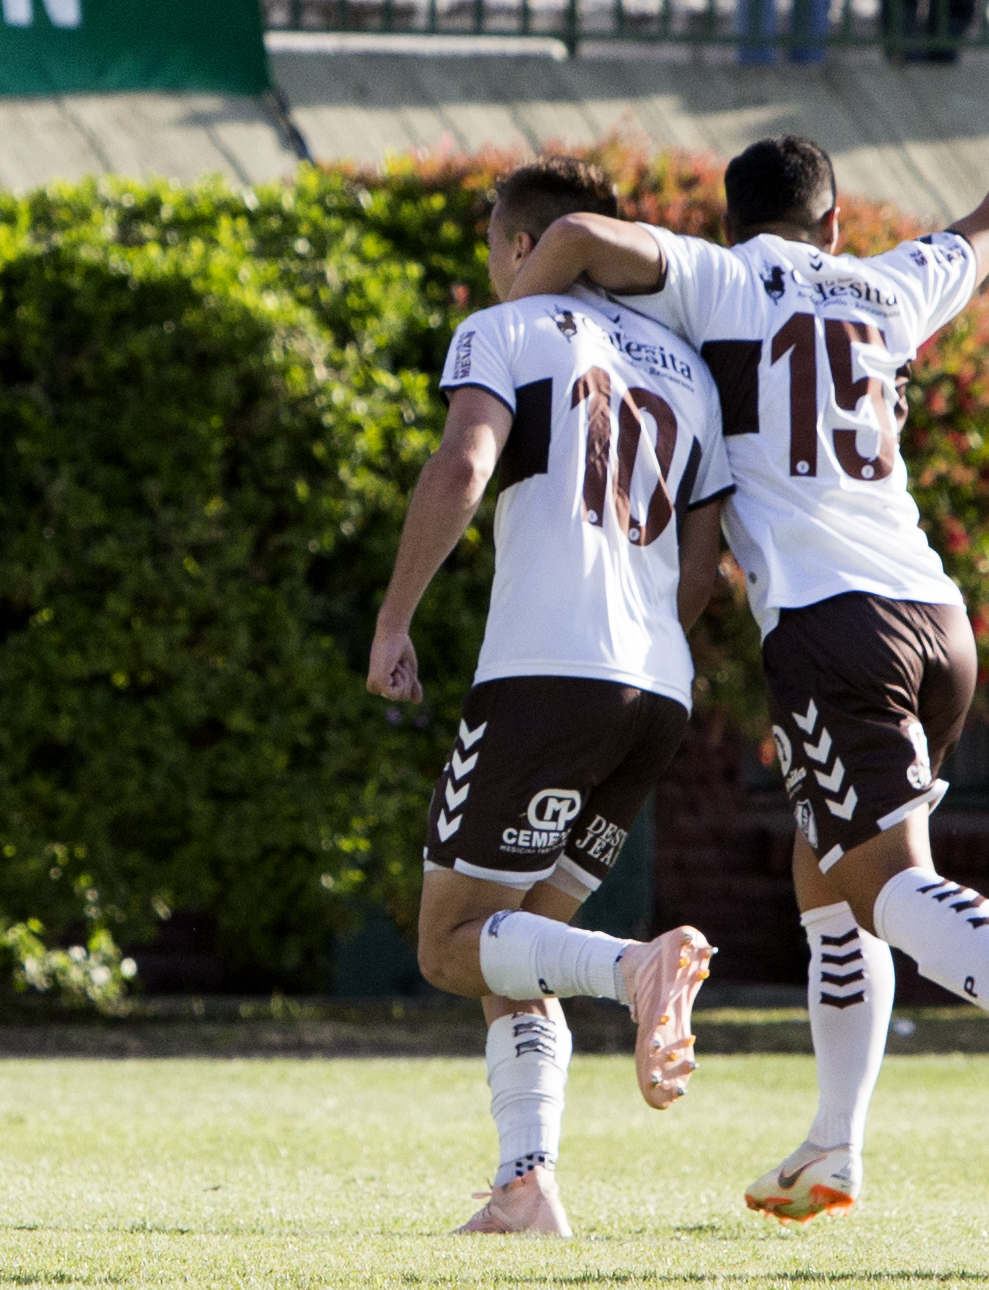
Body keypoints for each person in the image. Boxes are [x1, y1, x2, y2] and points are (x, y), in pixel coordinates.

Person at [502, 55, 989, 1222]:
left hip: (831, 629)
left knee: (887, 881)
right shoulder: (887, 286)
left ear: (733, 222)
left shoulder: (718, 278)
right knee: (827, 876)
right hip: (935, 621)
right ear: (835, 224)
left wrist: (515, 327)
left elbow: (584, 234)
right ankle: (833, 1146)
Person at [367, 156, 735, 1236]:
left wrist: (393, 621)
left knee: (449, 941)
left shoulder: (507, 327)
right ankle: (526, 1186)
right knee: (513, 947)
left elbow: (462, 465)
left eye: (495, 245)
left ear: (523, 247)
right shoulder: (689, 370)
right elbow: (703, 575)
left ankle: (635, 967)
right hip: (655, 690)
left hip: (546, 675)